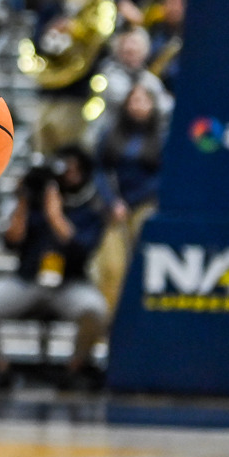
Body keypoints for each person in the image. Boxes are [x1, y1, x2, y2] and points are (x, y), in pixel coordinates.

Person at [0, 148, 112, 392]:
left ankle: (75, 369)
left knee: (95, 309)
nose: (70, 174)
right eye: (67, 169)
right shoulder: (34, 201)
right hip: (27, 281)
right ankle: (0, 368)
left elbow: (81, 249)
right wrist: (23, 200)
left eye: (76, 170)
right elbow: (11, 241)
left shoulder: (90, 208)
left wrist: (54, 213)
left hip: (69, 284)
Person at [92, 82, 166, 312]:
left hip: (147, 206)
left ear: (153, 105)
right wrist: (112, 201)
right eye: (133, 100)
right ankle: (110, 321)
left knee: (146, 265)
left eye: (143, 100)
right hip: (116, 208)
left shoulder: (164, 137)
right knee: (111, 267)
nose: (138, 105)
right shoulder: (111, 133)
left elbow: (165, 176)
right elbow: (100, 169)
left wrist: (134, 202)